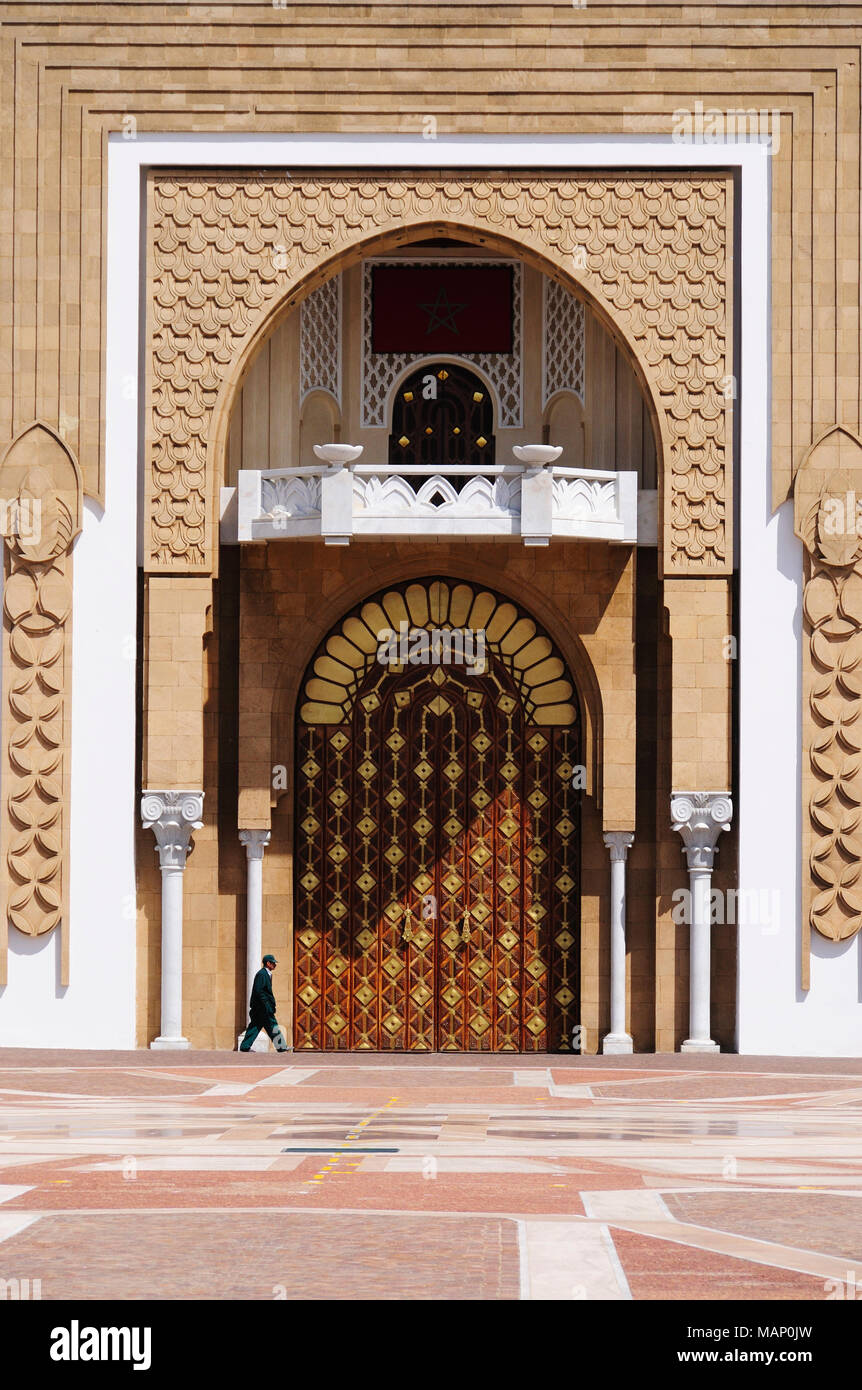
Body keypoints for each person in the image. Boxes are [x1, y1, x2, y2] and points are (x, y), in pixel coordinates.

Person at [239, 953, 288, 1052]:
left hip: (261, 1008)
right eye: (273, 963)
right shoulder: (262, 974)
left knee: (255, 1027)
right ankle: (281, 1047)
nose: (275, 965)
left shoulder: (266, 974)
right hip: (263, 1008)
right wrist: (267, 1005)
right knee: (273, 1026)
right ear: (268, 963)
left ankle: (245, 1047)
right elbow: (259, 991)